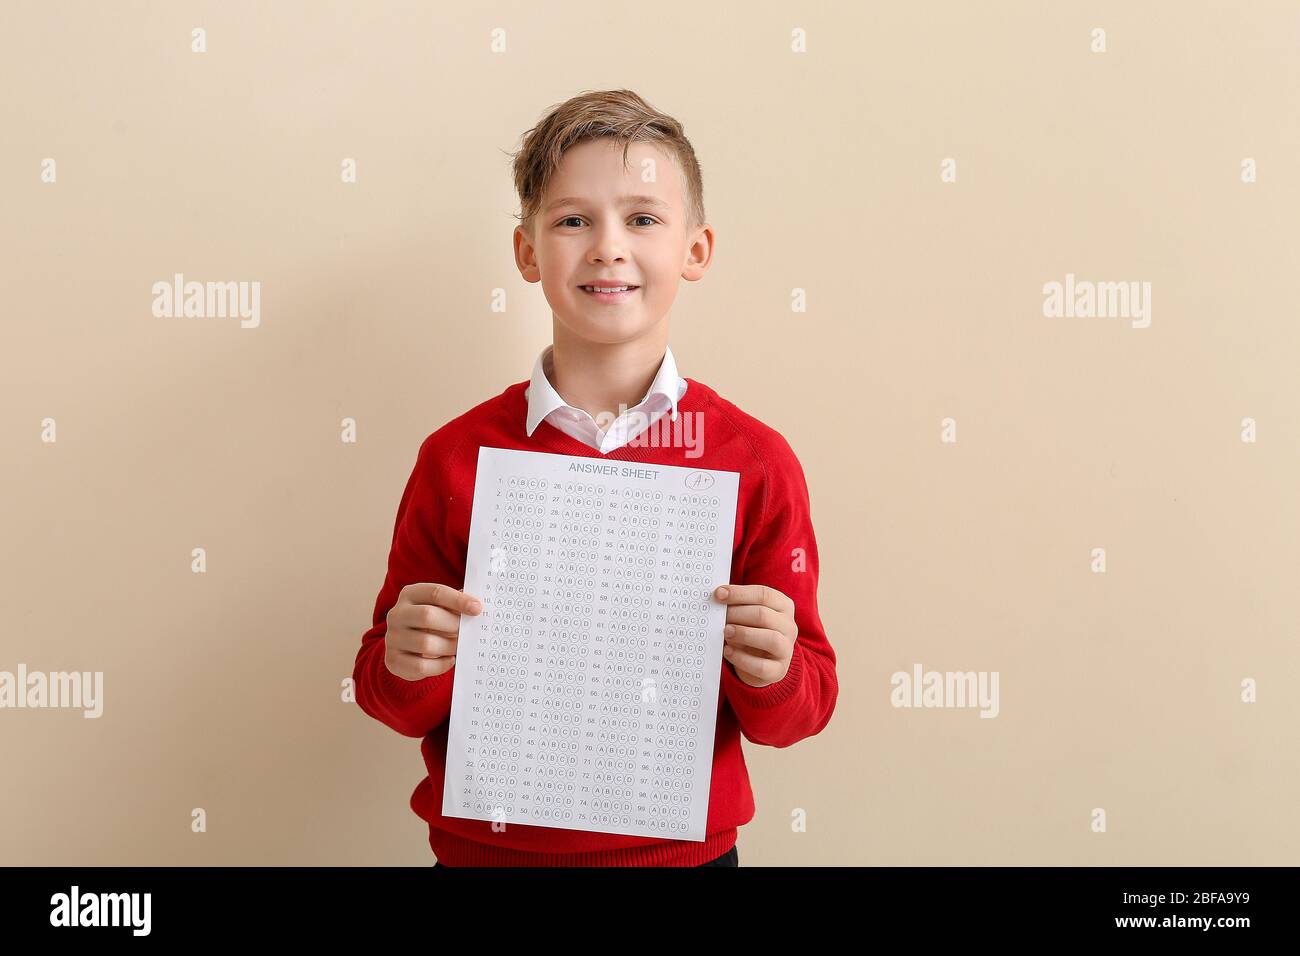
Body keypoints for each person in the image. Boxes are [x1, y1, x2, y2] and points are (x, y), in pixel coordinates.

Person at [352, 89, 838, 866]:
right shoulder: (455, 457)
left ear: (696, 250)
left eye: (643, 219)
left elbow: (799, 712)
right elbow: (388, 694)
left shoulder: (754, 461)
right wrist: (404, 660)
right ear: (526, 252)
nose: (608, 247)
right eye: (573, 219)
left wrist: (776, 670)